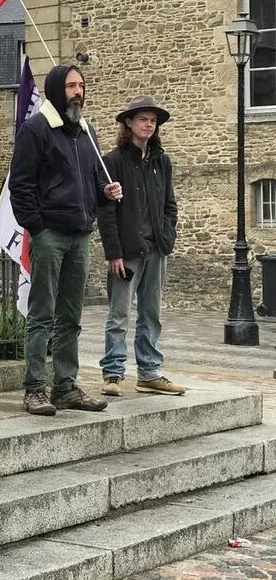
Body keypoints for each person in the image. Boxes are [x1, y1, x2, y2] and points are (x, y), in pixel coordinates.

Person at [8, 64, 123, 416]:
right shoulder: (36, 129)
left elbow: (93, 184)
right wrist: (38, 228)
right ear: (58, 89)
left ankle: (65, 386)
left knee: (71, 316)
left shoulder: (87, 131)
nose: (78, 92)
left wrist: (105, 193)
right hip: (50, 235)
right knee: (42, 314)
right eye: (71, 86)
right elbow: (21, 186)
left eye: (81, 86)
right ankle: (34, 388)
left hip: (80, 234)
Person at [98, 96, 184, 397]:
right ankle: (113, 373)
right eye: (143, 119)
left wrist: (167, 234)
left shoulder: (162, 161)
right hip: (127, 253)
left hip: (156, 249)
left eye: (153, 121)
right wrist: (114, 252)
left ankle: (149, 373)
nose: (149, 125)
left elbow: (169, 204)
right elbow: (106, 212)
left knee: (151, 314)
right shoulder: (113, 161)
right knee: (119, 315)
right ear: (129, 123)